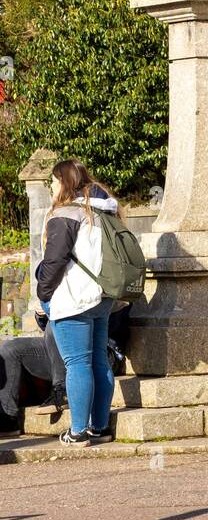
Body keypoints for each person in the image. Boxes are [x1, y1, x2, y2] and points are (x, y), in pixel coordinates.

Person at [35, 159, 119, 445]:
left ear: (64, 181)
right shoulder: (104, 209)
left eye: (54, 181)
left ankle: (79, 430)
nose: (52, 186)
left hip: (74, 297)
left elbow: (54, 260)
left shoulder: (66, 213)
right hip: (103, 296)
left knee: (77, 363)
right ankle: (100, 426)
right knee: (98, 360)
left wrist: (44, 294)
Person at [0, 311, 67, 436]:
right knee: (9, 349)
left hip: (89, 346)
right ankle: (7, 419)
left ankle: (62, 391)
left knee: (56, 324)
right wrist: (42, 315)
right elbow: (46, 328)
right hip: (55, 341)